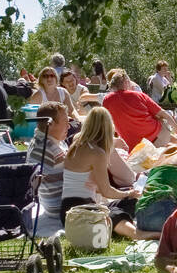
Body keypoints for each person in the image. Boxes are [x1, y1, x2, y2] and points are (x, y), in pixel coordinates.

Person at [59, 106, 147, 239]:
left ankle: (129, 228)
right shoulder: (96, 153)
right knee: (117, 210)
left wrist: (127, 193)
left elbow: (98, 188)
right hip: (80, 210)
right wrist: (129, 193)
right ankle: (137, 234)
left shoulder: (78, 142)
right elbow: (106, 191)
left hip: (68, 208)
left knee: (130, 199)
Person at [101, 68, 177, 150]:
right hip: (156, 138)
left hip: (134, 147)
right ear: (126, 83)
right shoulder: (138, 95)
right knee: (161, 120)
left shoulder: (107, 100)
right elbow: (164, 114)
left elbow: (104, 122)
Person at [24, 101, 71, 237]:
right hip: (60, 208)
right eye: (65, 122)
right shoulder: (49, 149)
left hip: (51, 205)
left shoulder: (39, 140)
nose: (68, 126)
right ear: (50, 125)